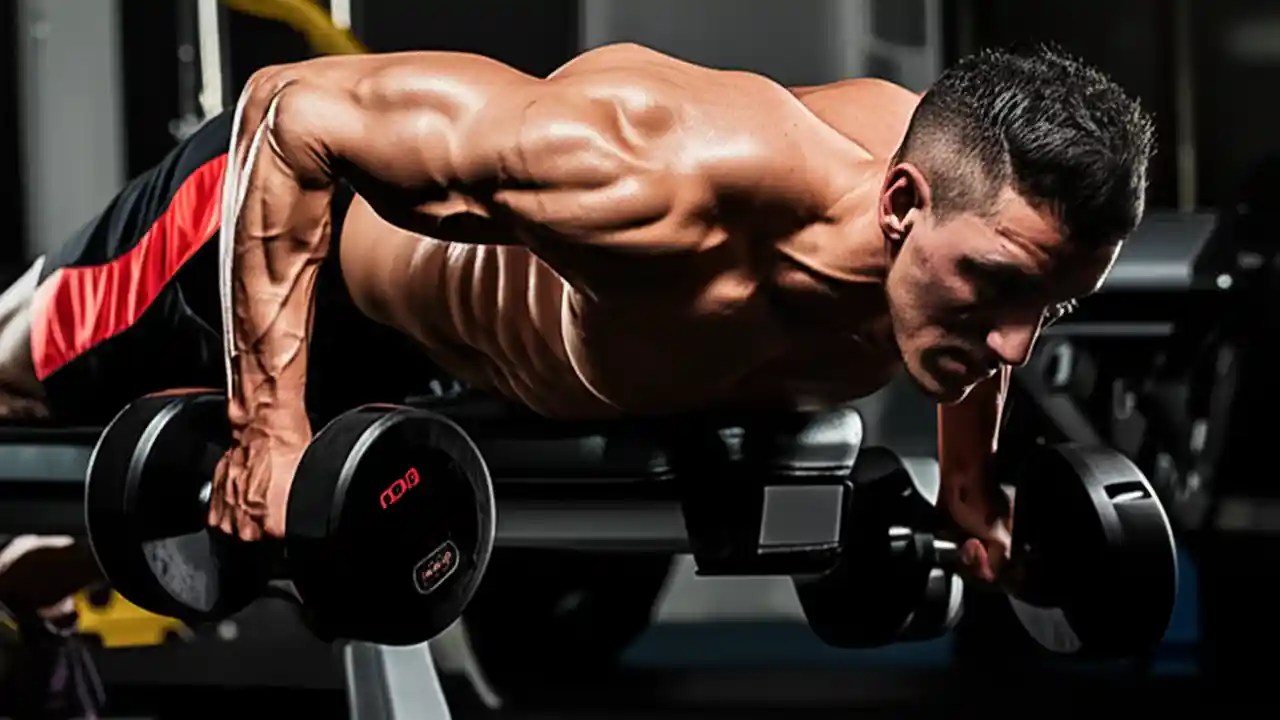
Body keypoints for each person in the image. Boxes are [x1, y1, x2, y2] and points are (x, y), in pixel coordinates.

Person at [0, 42, 1152, 624]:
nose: (1012, 348)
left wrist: (969, 490)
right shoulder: (651, 168)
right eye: (995, 289)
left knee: (189, 537)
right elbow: (292, 114)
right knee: (17, 376)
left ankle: (42, 581)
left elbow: (991, 316)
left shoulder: (959, 242)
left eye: (1047, 310)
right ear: (899, 203)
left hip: (453, 384)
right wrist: (268, 427)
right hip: (276, 260)